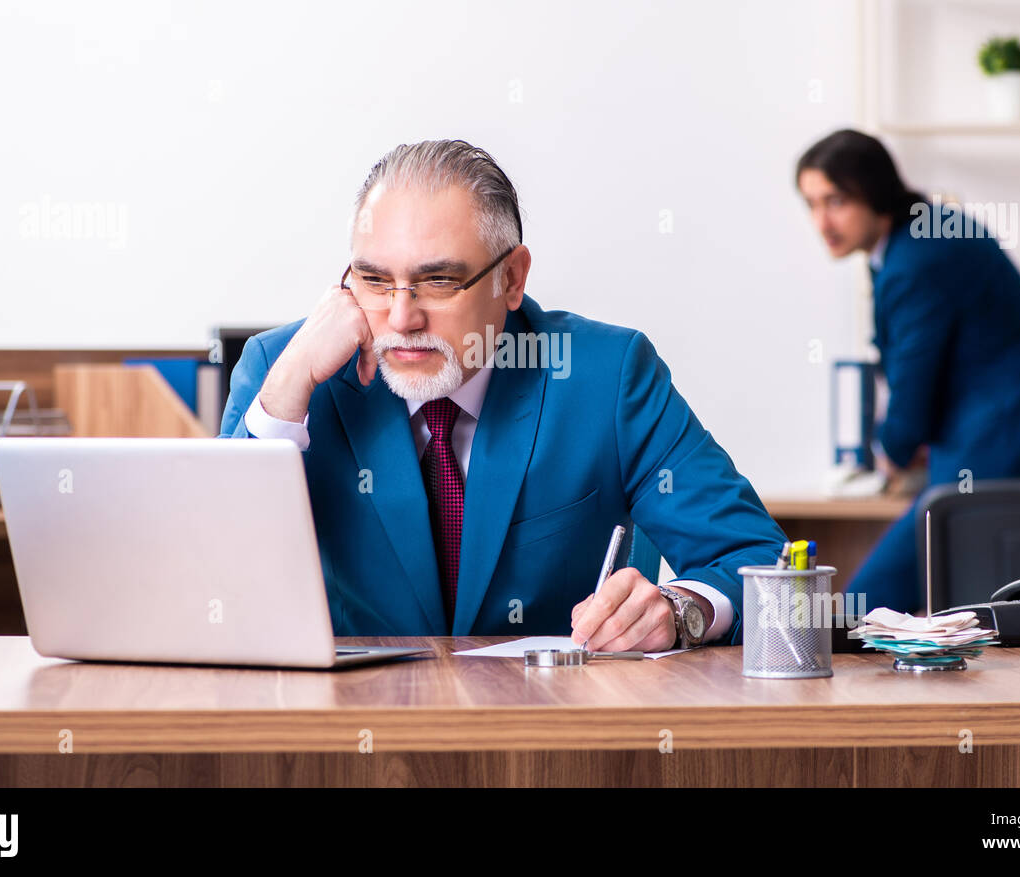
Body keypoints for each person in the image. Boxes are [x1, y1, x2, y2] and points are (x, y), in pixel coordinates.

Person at [220, 139, 786, 649]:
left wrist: (680, 608)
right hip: (349, 744)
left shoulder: (605, 376)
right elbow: (216, 589)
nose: (401, 316)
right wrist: (284, 397)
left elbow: (765, 567)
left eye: (438, 281)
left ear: (512, 279)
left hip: (548, 741)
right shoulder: (286, 372)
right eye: (373, 280)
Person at [795, 129, 1020, 613]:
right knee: (914, 607)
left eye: (835, 201)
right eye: (811, 204)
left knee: (859, 609)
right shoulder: (917, 235)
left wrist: (889, 453)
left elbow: (913, 384)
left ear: (874, 191)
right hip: (1004, 441)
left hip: (1015, 447)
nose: (822, 222)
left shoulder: (915, 259)